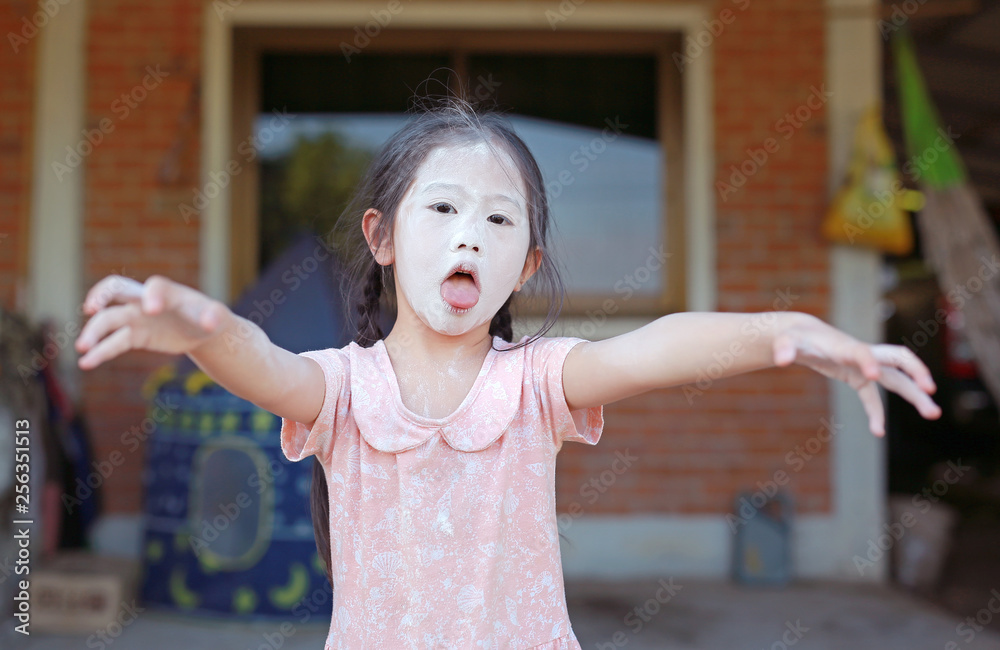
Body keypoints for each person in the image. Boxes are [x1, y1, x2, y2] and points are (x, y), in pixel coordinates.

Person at [74, 96, 942, 649]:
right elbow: (260, 365)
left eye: (498, 222)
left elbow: (660, 346)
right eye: (443, 209)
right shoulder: (344, 388)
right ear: (381, 239)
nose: (468, 237)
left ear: (523, 266)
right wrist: (202, 327)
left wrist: (787, 330)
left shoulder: (535, 383)